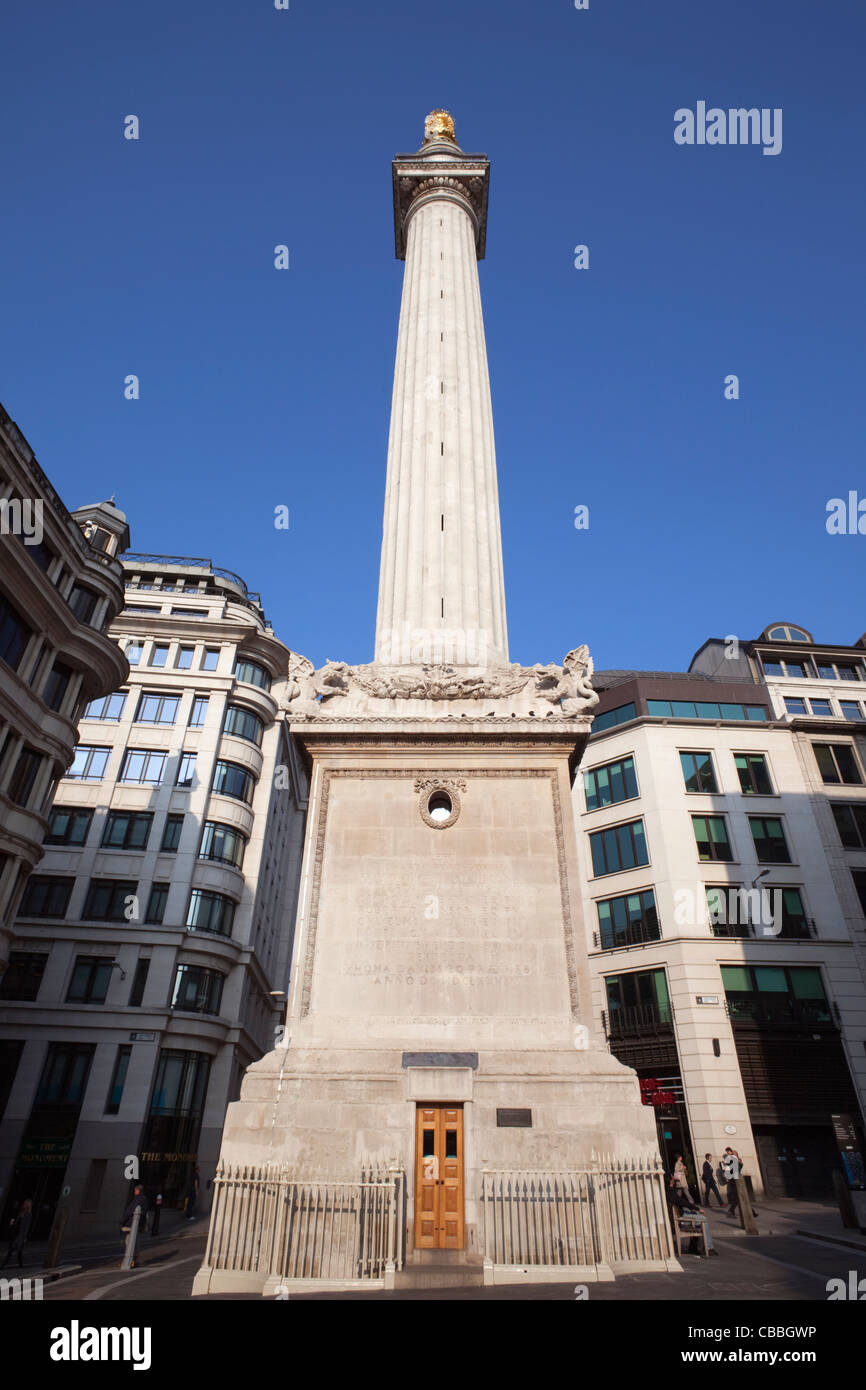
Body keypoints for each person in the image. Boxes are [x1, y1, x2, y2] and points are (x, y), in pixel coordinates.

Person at [672, 1188, 719, 1257]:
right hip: (681, 1219)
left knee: (697, 1216)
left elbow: (682, 1203)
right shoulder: (671, 1193)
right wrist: (697, 1208)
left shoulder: (671, 1192)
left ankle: (693, 1246)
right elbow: (682, 1202)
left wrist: (694, 1210)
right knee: (703, 1219)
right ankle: (708, 1247)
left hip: (680, 1215)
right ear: (670, 1182)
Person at [121, 1184, 149, 1267]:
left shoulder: (137, 1199)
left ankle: (129, 1260)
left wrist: (122, 1221)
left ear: (137, 1191)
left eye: (135, 1191)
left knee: (129, 1241)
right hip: (139, 1224)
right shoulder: (145, 1199)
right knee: (136, 1241)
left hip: (132, 1223)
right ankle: (135, 1260)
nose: (134, 1192)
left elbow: (130, 1211)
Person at [0, 1198, 32, 1270]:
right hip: (15, 1233)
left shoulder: (29, 1214)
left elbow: (27, 1226)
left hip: (20, 1235)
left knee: (11, 1250)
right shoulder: (21, 1212)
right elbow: (16, 1221)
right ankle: (21, 1266)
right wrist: (12, 1223)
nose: (24, 1205)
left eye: (26, 1204)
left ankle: (2, 1265)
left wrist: (25, 1237)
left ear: (28, 1205)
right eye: (24, 1203)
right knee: (19, 1252)